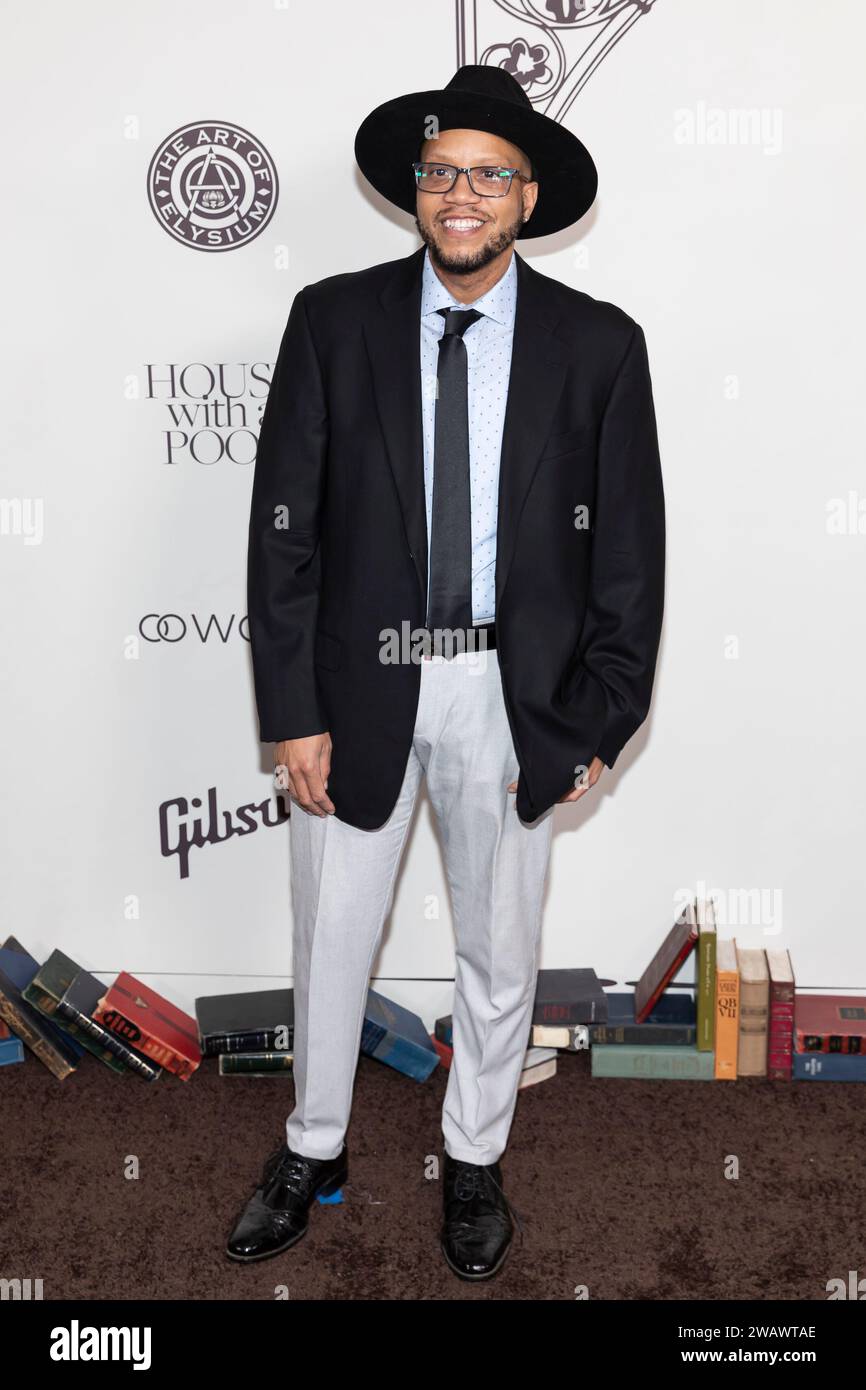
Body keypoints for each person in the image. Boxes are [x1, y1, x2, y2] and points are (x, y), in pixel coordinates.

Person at [227, 64, 665, 1280]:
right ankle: (312, 1145)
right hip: (356, 682)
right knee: (332, 936)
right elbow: (285, 532)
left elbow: (628, 554)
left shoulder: (598, 346)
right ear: (413, 191)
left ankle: (472, 1158)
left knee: (497, 946)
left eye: (487, 174)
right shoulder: (331, 317)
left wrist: (600, 714)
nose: (460, 194)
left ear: (526, 196)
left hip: (513, 697)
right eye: (440, 172)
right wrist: (293, 708)